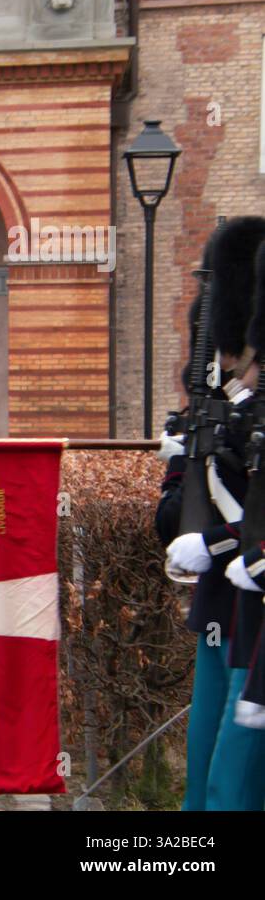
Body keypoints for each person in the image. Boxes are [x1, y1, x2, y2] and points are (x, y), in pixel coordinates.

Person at [163, 216, 265, 811]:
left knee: (234, 780)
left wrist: (221, 547)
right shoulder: (224, 409)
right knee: (206, 772)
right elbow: (172, 522)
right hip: (224, 607)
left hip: (248, 599)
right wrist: (179, 468)